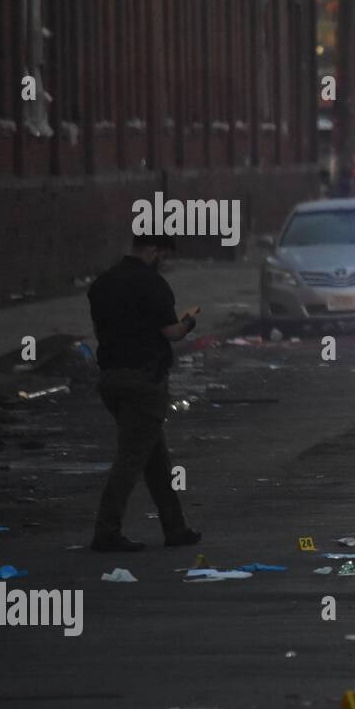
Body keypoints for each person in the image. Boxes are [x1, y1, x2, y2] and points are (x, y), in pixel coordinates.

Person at [86, 233, 202, 552]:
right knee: (131, 459)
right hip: (144, 381)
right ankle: (106, 531)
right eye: (163, 255)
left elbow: (99, 332)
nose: (164, 262)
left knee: (154, 457)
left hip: (111, 378)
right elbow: (173, 333)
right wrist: (190, 321)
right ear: (151, 251)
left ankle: (175, 528)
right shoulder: (152, 284)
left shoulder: (102, 284)